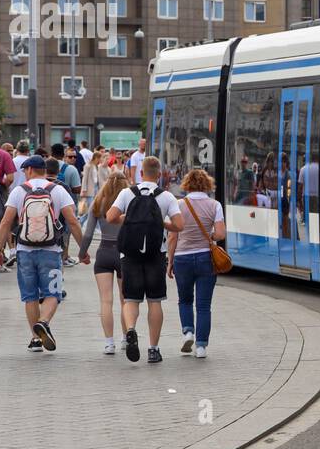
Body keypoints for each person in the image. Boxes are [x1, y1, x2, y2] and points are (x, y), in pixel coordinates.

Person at [0, 155, 87, 351]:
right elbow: (72, 221)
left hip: (24, 251)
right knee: (53, 293)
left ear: (28, 170)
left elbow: (5, 222)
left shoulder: (19, 191)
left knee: (30, 296)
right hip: (51, 251)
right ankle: (43, 322)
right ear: (44, 170)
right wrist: (83, 250)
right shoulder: (58, 190)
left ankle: (36, 339)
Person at [107, 156, 183, 364]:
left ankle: (130, 330)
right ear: (159, 175)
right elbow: (179, 224)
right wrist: (161, 222)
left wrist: (128, 219)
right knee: (154, 301)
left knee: (131, 299)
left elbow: (110, 216)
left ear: (141, 173)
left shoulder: (126, 193)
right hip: (155, 255)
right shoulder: (166, 197)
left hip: (130, 255)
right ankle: (153, 349)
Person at [168, 168, 226, 359]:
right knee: (203, 305)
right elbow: (220, 234)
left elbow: (173, 237)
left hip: (182, 258)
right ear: (207, 184)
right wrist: (208, 236)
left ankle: (188, 332)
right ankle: (201, 347)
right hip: (205, 258)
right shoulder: (215, 205)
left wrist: (169, 262)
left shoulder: (178, 205)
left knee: (184, 300)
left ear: (187, 184)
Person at [79, 169, 131, 355]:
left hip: (104, 253)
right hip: (125, 253)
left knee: (106, 301)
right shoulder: (130, 201)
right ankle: (126, 338)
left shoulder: (98, 203)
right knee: (126, 300)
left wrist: (82, 253)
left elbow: (88, 234)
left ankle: (109, 343)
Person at [50, 144, 83, 265]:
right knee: (66, 230)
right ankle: (64, 256)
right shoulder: (70, 169)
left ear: (51, 152)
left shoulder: (46, 165)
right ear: (64, 154)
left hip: (49, 203)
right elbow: (77, 189)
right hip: (67, 204)